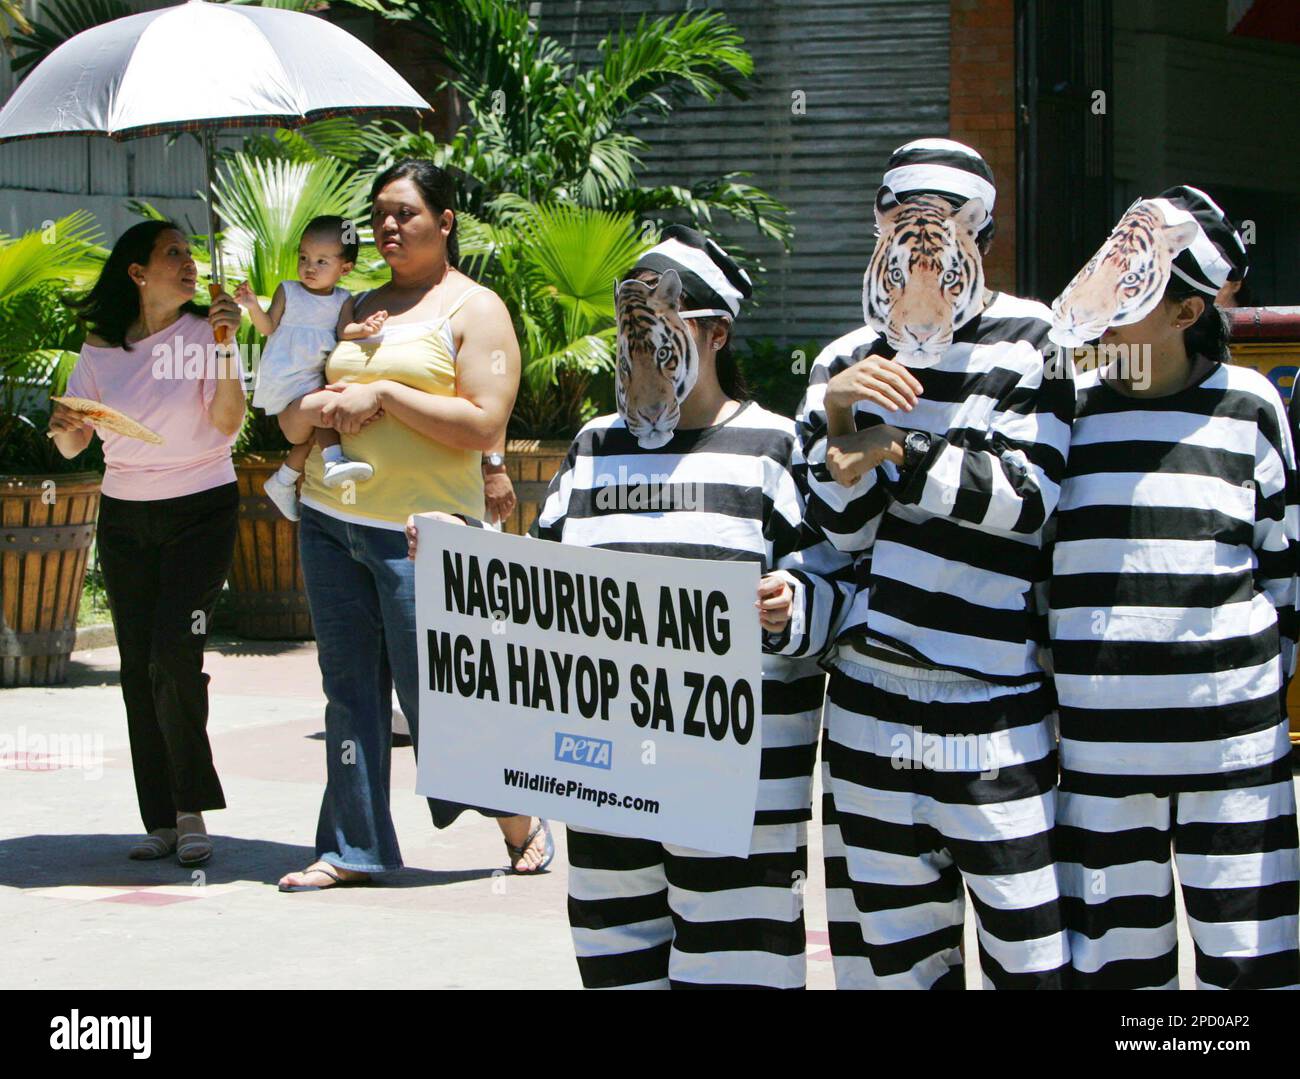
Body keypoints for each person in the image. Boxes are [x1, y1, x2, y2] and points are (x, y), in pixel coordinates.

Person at [411, 226, 852, 988]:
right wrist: (468, 553)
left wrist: (796, 603)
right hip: (605, 790)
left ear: (716, 333)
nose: (640, 347)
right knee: (618, 970)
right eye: (630, 329)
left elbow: (838, 584)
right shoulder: (590, 448)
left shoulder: (779, 449)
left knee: (739, 972)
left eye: (660, 328)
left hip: (738, 802)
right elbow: (546, 592)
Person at [796, 139, 1074, 988]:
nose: (916, 248)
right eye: (898, 223)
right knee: (894, 964)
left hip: (992, 703)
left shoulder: (1034, 340)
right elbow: (837, 530)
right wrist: (848, 423)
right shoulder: (841, 360)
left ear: (977, 234)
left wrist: (892, 447)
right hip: (870, 707)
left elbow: (1025, 500)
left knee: (1029, 957)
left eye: (939, 227)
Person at [1048, 186, 1300, 989]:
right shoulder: (1069, 409)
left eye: (1137, 294)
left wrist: (1244, 694)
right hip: (1097, 758)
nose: (1108, 310)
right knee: (1115, 973)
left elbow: (1287, 569)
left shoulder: (1251, 406)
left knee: (1253, 965)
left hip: (1234, 755)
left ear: (1189, 312)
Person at [274, 160, 544, 892]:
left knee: (440, 694)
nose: (388, 227)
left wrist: (385, 392)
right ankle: (352, 846)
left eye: (406, 213)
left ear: (446, 221)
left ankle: (516, 816)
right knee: (349, 688)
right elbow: (298, 402)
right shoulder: (355, 303)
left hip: (423, 531)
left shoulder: (475, 309)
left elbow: (484, 420)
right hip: (330, 518)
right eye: (379, 215)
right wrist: (316, 410)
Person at [49, 220, 246, 866]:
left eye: (190, 253)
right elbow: (74, 442)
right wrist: (65, 425)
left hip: (200, 513)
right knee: (138, 670)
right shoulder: (101, 349)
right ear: (138, 274)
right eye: (173, 254)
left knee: (173, 655)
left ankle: (191, 808)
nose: (189, 263)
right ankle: (159, 818)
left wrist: (225, 345)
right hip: (126, 519)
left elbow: (226, 424)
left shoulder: (206, 333)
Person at [235, 216, 380, 521]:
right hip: (285, 384)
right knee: (330, 405)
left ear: (345, 268)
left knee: (315, 429)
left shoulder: (343, 299)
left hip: (310, 381)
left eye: (321, 261)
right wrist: (251, 306)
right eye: (304, 258)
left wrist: (364, 328)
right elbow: (268, 327)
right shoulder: (288, 290)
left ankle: (284, 480)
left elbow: (344, 331)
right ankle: (334, 462)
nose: (309, 267)